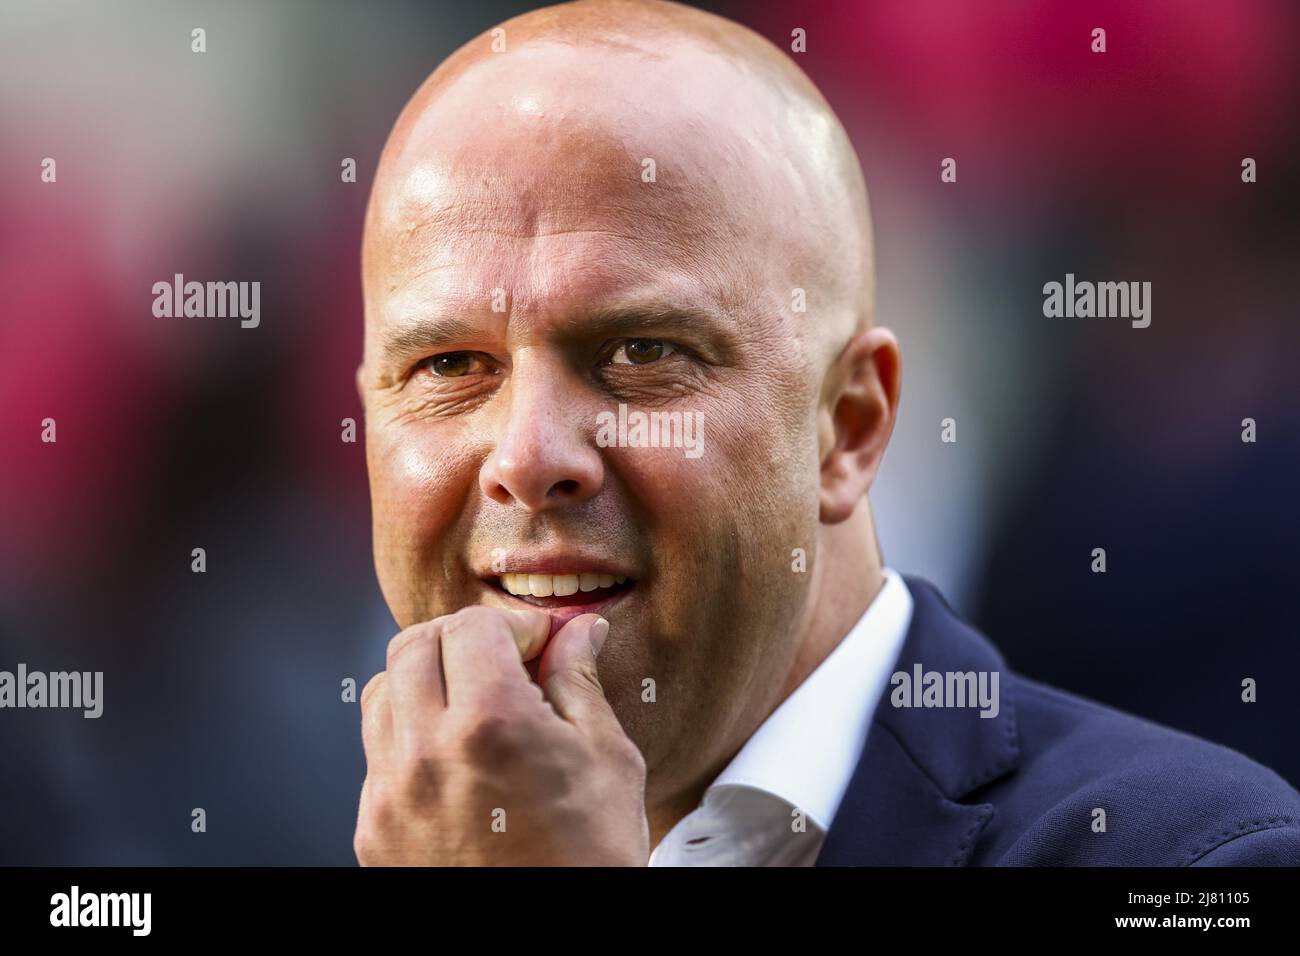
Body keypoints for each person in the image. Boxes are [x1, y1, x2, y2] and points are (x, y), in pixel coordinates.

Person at [351, 0, 1300, 866]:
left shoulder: (1196, 862)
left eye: (640, 353)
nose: (526, 458)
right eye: (446, 367)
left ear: (848, 426)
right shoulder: (387, 832)